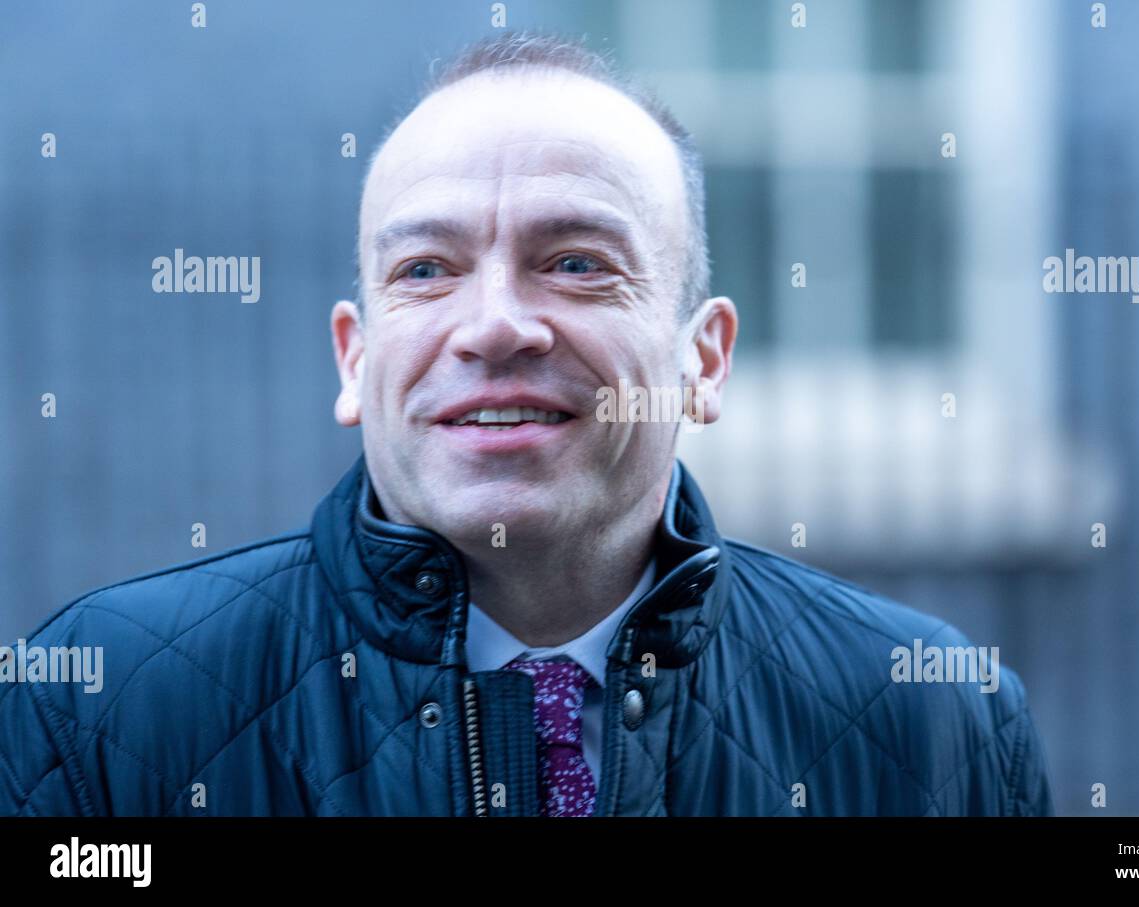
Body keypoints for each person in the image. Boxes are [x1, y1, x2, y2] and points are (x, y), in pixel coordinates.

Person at [0, 31, 1053, 817]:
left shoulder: (940, 725)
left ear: (703, 359)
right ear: (355, 360)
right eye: (426, 270)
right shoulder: (97, 715)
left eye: (576, 263)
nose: (495, 324)